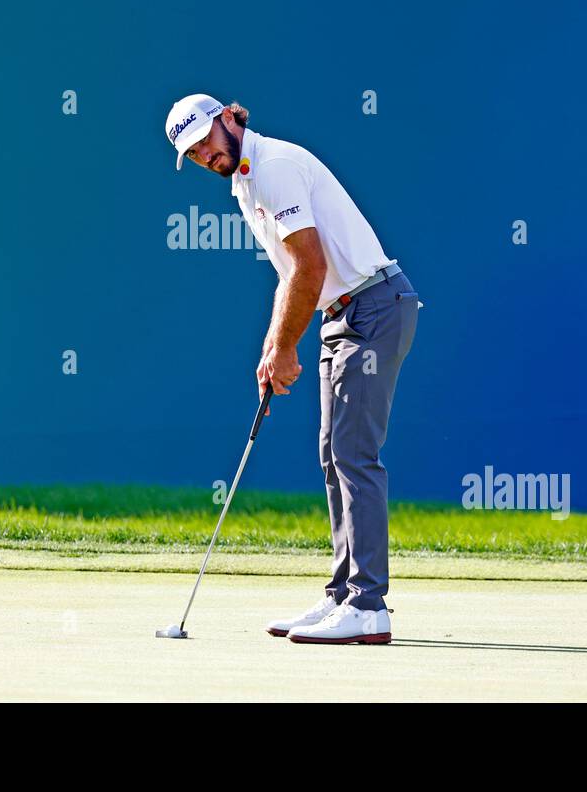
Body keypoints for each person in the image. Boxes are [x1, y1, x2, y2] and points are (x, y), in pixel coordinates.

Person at [165, 94, 420, 645]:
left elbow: (310, 265)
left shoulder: (274, 168)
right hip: (343, 313)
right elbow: (293, 277)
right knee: (333, 453)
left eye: (206, 139)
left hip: (373, 307)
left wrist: (283, 348)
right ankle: (343, 596)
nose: (206, 155)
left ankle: (369, 607)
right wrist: (273, 345)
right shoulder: (244, 184)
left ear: (229, 118)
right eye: (194, 153)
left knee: (355, 455)